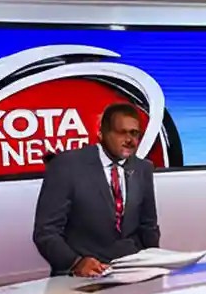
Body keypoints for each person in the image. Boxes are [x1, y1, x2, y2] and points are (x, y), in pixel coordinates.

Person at [33, 103, 161, 277]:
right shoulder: (66, 166)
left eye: (134, 133)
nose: (130, 140)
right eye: (121, 132)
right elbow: (46, 232)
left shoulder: (143, 168)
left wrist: (155, 261)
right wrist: (75, 263)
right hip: (80, 277)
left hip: (132, 273)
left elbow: (148, 226)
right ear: (102, 133)